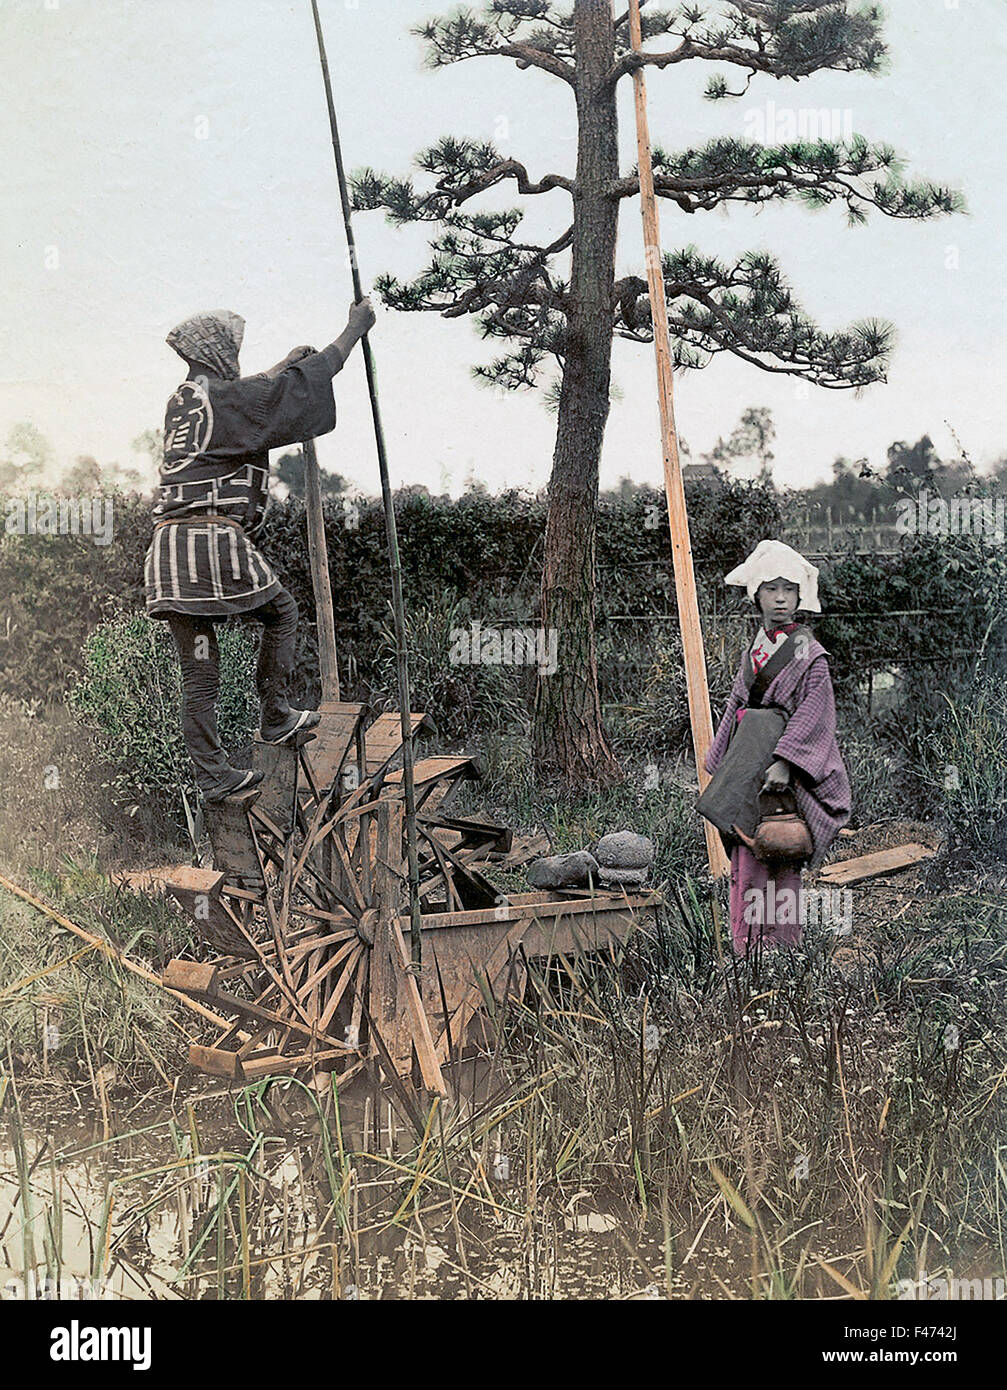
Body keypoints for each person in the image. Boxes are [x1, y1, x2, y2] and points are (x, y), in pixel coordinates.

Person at [143, 298, 375, 801]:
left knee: (200, 672)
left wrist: (282, 367)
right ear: (221, 352)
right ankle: (275, 715)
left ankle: (211, 774)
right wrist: (352, 331)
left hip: (170, 553)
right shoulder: (229, 400)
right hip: (209, 541)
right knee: (282, 613)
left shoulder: (186, 399)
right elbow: (275, 397)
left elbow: (254, 399)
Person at [703, 540, 851, 955]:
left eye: (789, 588)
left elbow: (816, 712)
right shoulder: (757, 648)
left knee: (780, 847)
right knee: (747, 852)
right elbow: (736, 703)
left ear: (801, 595)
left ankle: (782, 949)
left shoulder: (810, 654)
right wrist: (721, 760)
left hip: (783, 765)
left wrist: (786, 761)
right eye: (770, 588)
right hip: (749, 761)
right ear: (756, 595)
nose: (781, 597)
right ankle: (746, 949)